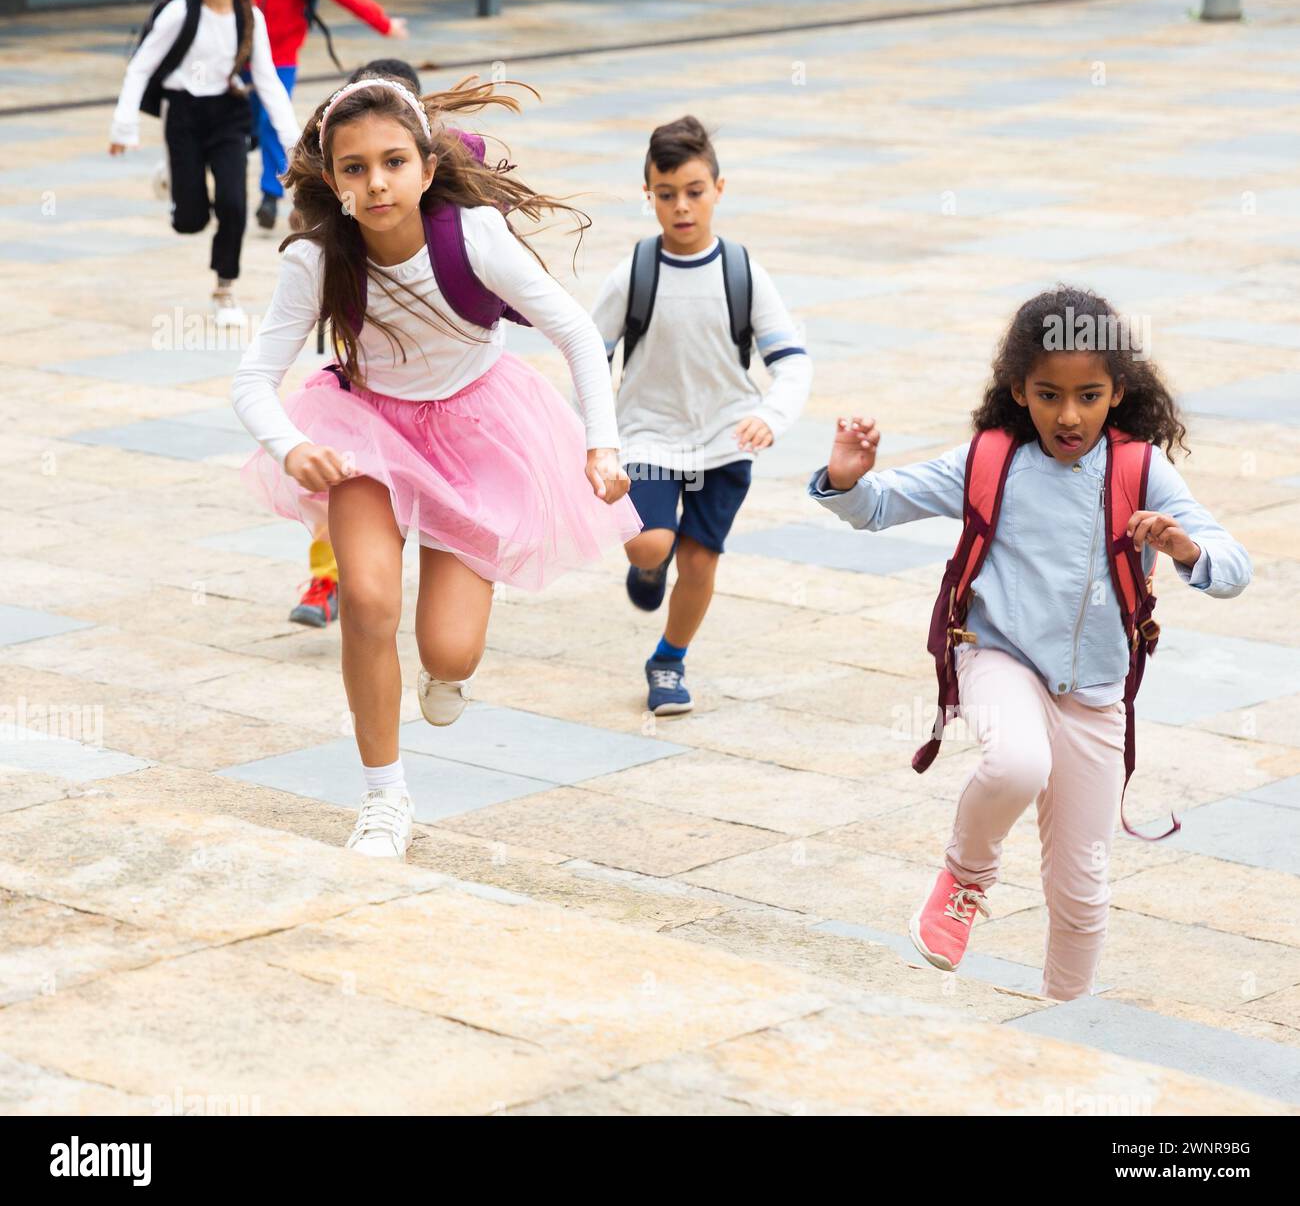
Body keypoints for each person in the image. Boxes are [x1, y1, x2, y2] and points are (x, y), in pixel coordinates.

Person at [231, 73, 639, 859]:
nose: (376, 182)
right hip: (363, 434)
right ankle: (384, 799)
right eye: (354, 168)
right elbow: (251, 379)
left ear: (425, 165)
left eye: (392, 162)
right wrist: (293, 445)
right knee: (369, 604)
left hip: (474, 432)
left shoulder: (475, 235)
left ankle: (445, 675)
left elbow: (578, 334)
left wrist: (602, 444)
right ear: (331, 179)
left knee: (451, 651)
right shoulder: (318, 258)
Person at [809, 285, 1252, 1000]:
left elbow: (1236, 567)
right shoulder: (992, 459)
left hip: (1097, 697)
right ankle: (965, 878)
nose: (1067, 414)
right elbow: (880, 504)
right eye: (1048, 394)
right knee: (1016, 761)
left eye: (1088, 394)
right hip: (997, 655)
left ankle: (1063, 1023)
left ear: (1118, 392)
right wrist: (845, 479)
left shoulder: (1140, 468)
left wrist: (1186, 548)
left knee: (1082, 893)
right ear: (1019, 390)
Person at [591, 115, 811, 716]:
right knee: (648, 546)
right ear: (649, 197)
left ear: (719, 188)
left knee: (699, 559)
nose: (681, 207)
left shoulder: (742, 271)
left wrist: (772, 414)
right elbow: (590, 350)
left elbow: (792, 361)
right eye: (666, 196)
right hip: (649, 437)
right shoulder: (635, 271)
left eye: (694, 192)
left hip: (724, 439)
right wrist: (598, 436)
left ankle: (668, 660)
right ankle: (647, 568)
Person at [286, 57, 428, 631]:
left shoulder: (451, 213)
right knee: (337, 488)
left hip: (446, 399)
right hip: (364, 387)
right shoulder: (335, 227)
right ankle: (329, 576)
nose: (378, 177)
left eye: (395, 157)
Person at [110, 0, 299, 327]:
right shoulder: (180, 12)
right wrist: (123, 126)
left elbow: (267, 81)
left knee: (234, 205)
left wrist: (292, 140)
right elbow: (140, 67)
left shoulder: (251, 17)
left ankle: (224, 288)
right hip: (183, 116)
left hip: (229, 113)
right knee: (190, 220)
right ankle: (176, 180)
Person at [226, 0, 409, 232]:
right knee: (239, 122)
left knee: (270, 123)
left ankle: (268, 194)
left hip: (280, 59)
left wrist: (383, 23)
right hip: (236, 57)